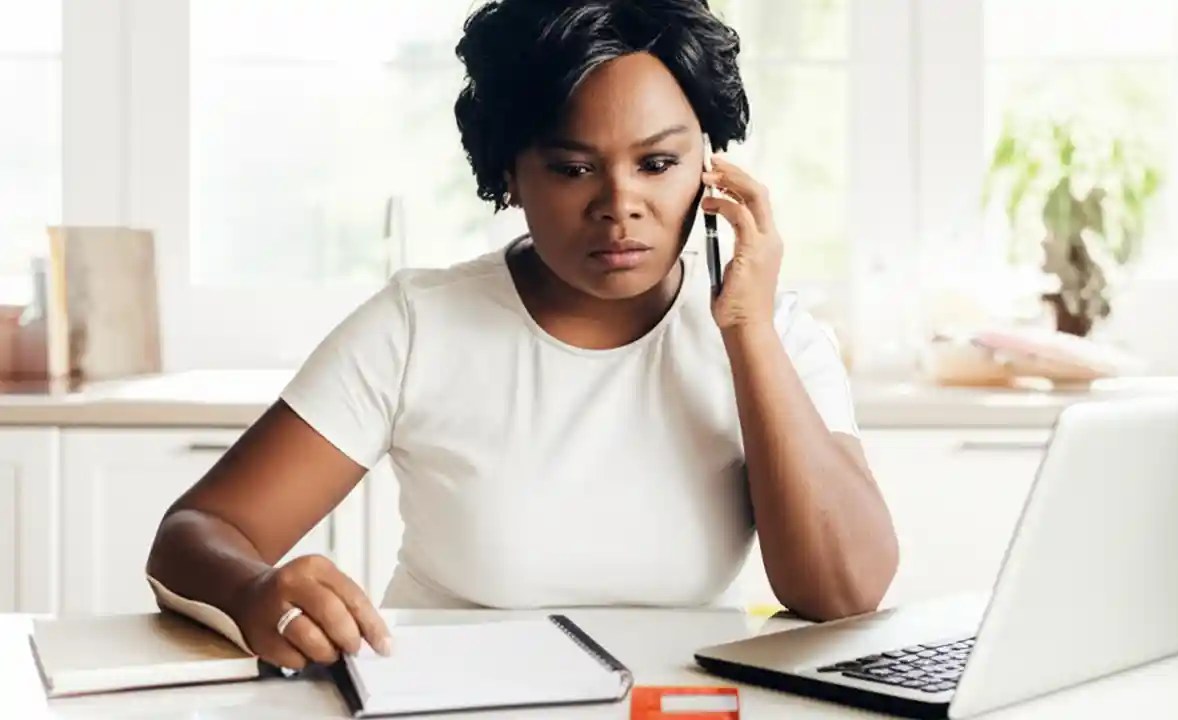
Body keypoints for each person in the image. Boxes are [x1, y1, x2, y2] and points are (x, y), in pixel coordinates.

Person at [147, 0, 899, 672]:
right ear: (510, 176)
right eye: (573, 168)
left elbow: (842, 592)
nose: (619, 205)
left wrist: (746, 333)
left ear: (711, 169)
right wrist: (252, 592)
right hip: (450, 701)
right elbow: (196, 531)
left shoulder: (773, 331)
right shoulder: (420, 324)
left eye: (659, 163)